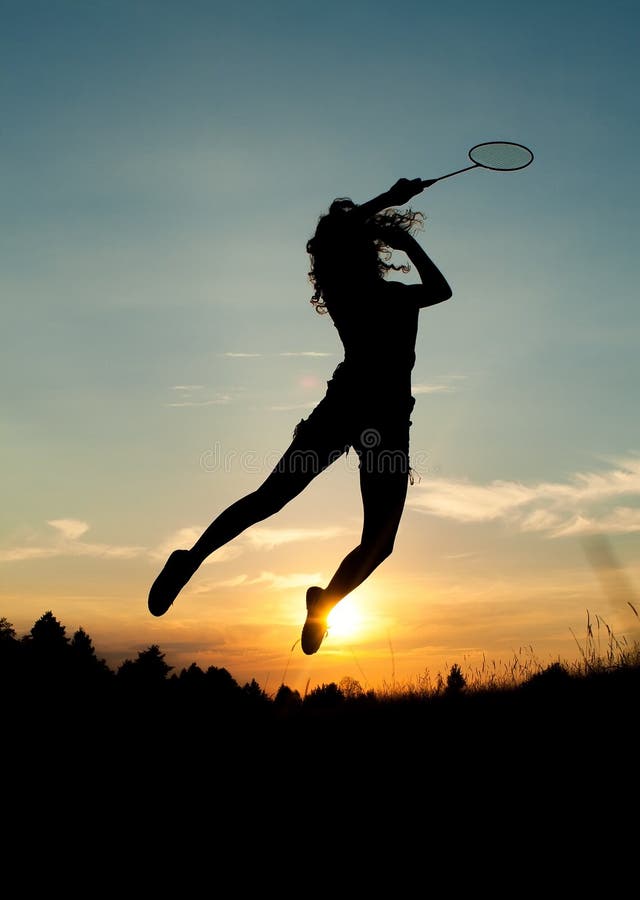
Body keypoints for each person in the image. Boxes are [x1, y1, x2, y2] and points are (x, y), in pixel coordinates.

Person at [148, 177, 452, 654]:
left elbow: (438, 288)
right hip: (370, 416)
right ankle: (207, 565)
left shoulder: (363, 294)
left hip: (367, 415)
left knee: (323, 520)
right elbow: (433, 286)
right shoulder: (369, 295)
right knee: (327, 521)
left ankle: (303, 597)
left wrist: (388, 209)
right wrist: (398, 222)